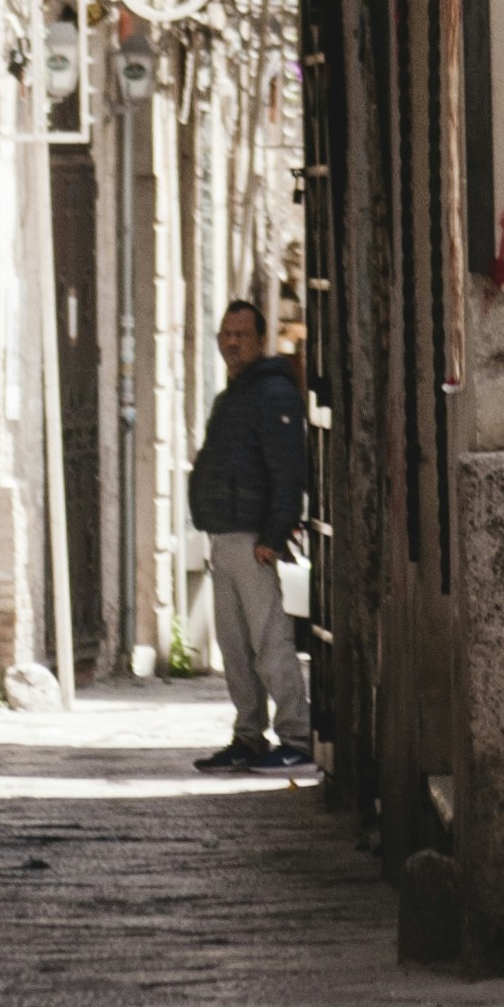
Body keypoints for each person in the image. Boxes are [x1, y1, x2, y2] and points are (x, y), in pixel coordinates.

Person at [187, 296, 312, 769]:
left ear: (261, 340)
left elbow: (288, 470)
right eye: (226, 334)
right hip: (224, 537)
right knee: (235, 646)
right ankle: (248, 736)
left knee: (269, 640)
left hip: (253, 540)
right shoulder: (234, 395)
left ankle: (297, 737)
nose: (231, 342)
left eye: (241, 335)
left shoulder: (273, 393)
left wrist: (273, 536)